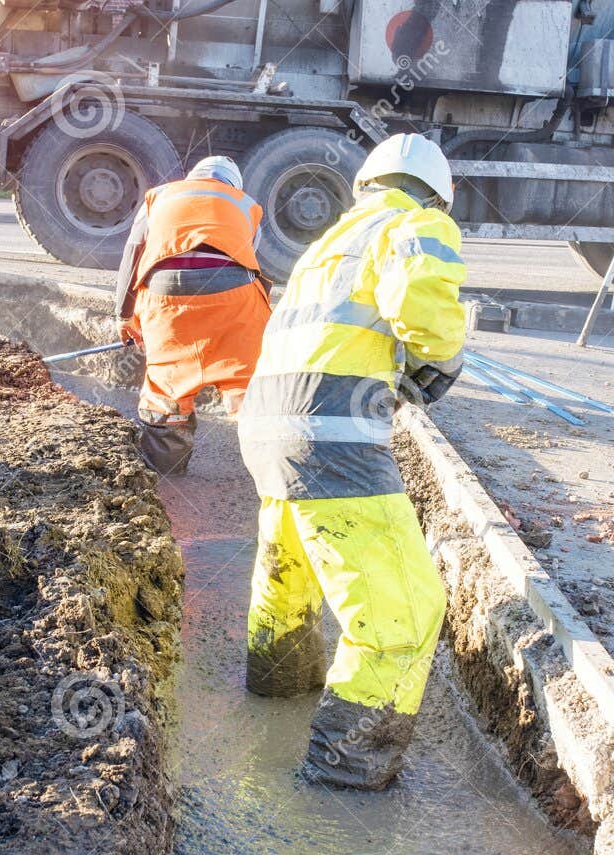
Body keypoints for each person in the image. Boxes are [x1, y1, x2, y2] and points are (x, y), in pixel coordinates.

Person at [237, 133, 466, 790]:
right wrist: (440, 362)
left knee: (288, 578)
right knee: (406, 612)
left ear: (367, 181)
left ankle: (276, 694)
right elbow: (423, 308)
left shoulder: (324, 248)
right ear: (437, 193)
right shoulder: (416, 222)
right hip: (332, 431)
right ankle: (344, 773)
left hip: (267, 423)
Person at [114, 156, 272, 474]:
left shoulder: (159, 197)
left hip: (165, 297)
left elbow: (133, 254)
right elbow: (249, 264)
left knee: (166, 389)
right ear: (233, 185)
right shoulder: (246, 205)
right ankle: (270, 473)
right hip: (234, 297)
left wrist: (124, 315)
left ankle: (168, 472)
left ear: (193, 177)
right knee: (249, 384)